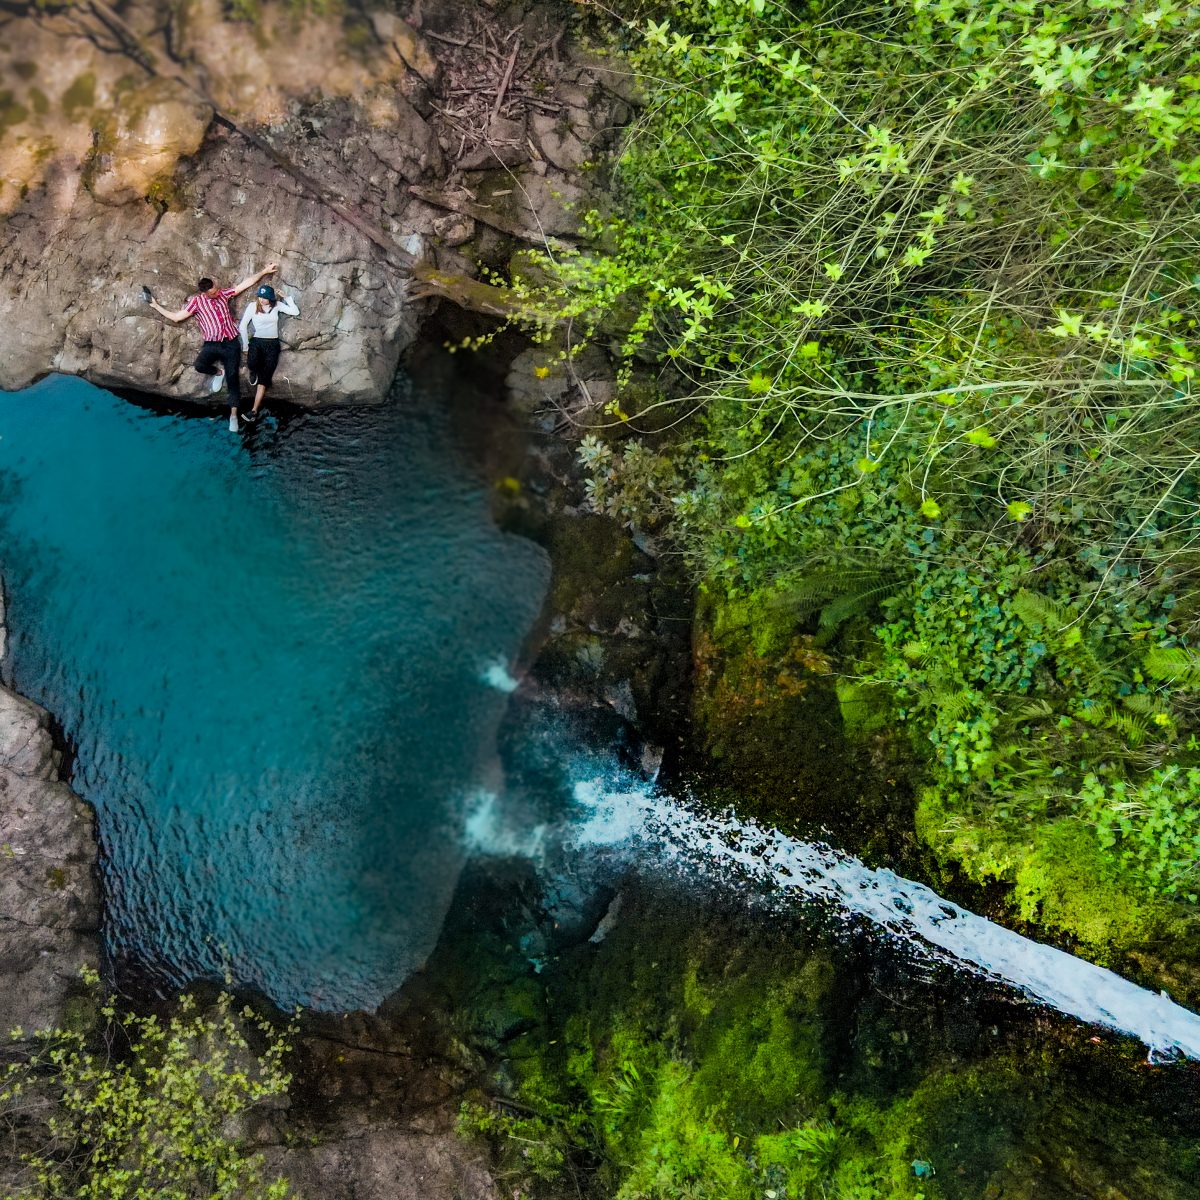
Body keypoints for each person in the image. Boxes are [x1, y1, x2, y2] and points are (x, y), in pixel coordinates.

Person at [146, 264, 277, 431]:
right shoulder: (196, 303)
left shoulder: (222, 294)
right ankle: (217, 373)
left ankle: (233, 416)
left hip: (230, 342)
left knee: (233, 380)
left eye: (216, 289)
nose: (217, 293)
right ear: (204, 293)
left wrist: (264, 272)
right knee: (199, 366)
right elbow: (177, 318)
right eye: (213, 292)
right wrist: (156, 306)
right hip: (212, 344)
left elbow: (243, 285)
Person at [238, 284, 299, 422]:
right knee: (252, 364)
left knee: (265, 377)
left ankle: (253, 411)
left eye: (265, 298)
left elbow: (295, 312)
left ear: (270, 298)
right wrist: (246, 346)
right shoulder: (253, 306)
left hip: (272, 343)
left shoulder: (277, 305)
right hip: (257, 341)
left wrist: (287, 298)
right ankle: (253, 371)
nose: (262, 300)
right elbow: (242, 326)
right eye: (260, 296)